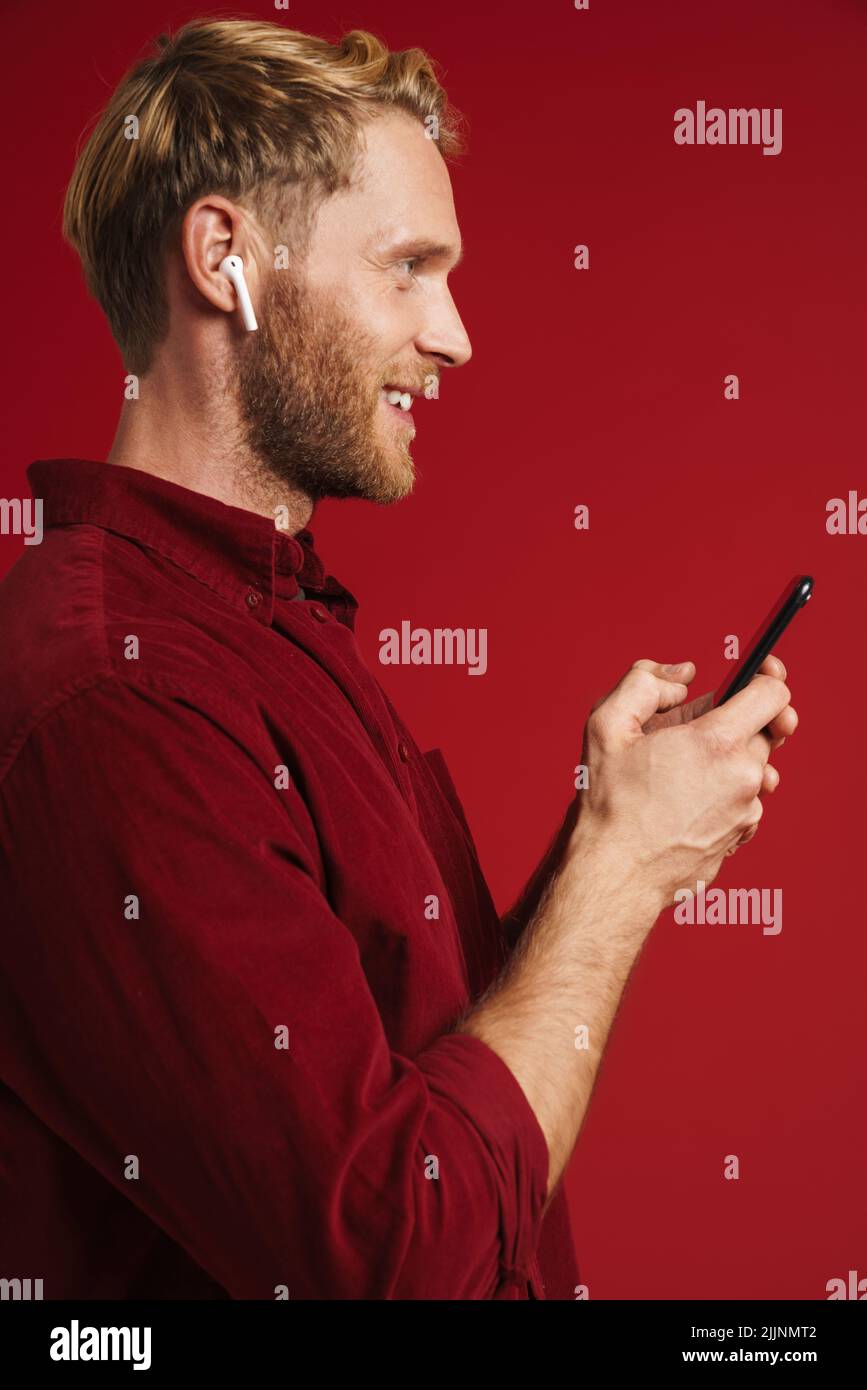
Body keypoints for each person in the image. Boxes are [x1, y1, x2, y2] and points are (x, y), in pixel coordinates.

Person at [0, 19, 797, 1300]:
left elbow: (421, 1084)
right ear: (228, 261)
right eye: (410, 267)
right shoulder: (123, 687)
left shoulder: (268, 619)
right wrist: (625, 874)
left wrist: (606, 836)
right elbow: (397, 1255)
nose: (456, 336)